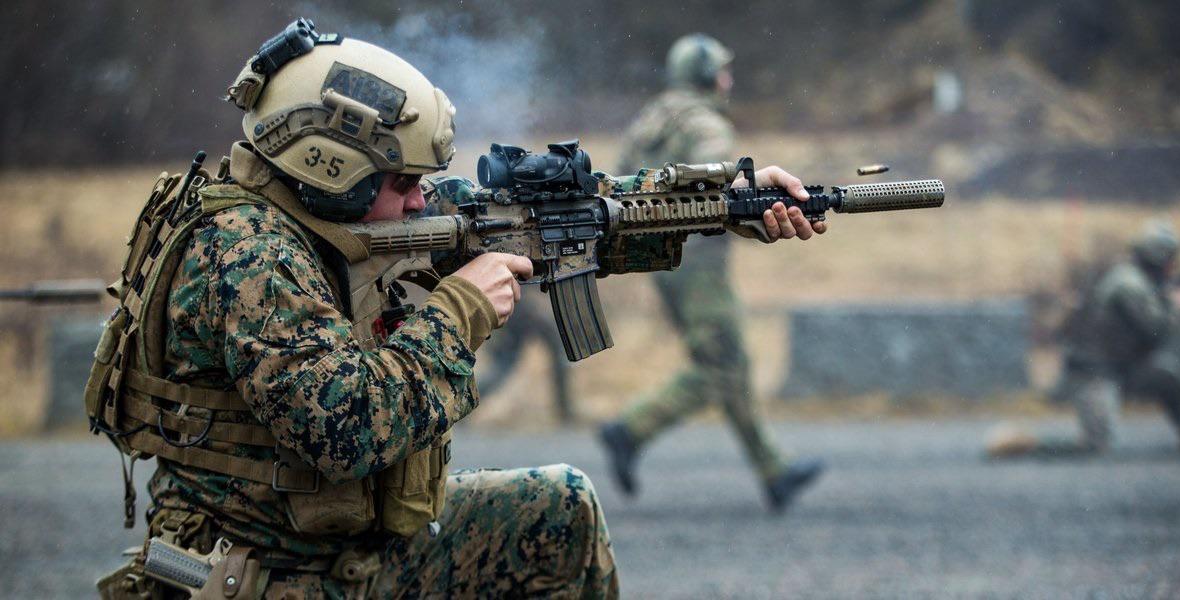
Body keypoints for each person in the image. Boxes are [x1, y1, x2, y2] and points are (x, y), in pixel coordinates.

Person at [90, 20, 826, 598]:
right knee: (558, 508)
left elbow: (543, 216)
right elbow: (345, 432)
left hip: (317, 546)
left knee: (558, 511)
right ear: (331, 169)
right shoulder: (248, 253)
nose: (419, 201)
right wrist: (458, 312)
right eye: (403, 181)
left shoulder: (321, 217)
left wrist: (718, 202)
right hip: (268, 573)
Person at [597, 34, 824, 511]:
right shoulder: (703, 121)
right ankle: (631, 429)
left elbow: (620, 179)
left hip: (663, 258)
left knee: (730, 362)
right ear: (705, 76)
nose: (729, 79)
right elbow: (723, 179)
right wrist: (749, 198)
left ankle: (773, 471)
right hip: (699, 262)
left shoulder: (654, 117)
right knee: (721, 365)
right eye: (722, 71)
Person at [989, 220, 1180, 457]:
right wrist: (1177, 304)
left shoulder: (1137, 279)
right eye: (1172, 257)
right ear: (1159, 257)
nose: (1175, 264)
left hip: (1124, 368)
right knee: (1096, 446)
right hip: (1094, 372)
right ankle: (1021, 444)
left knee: (1168, 376)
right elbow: (1157, 330)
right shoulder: (1128, 284)